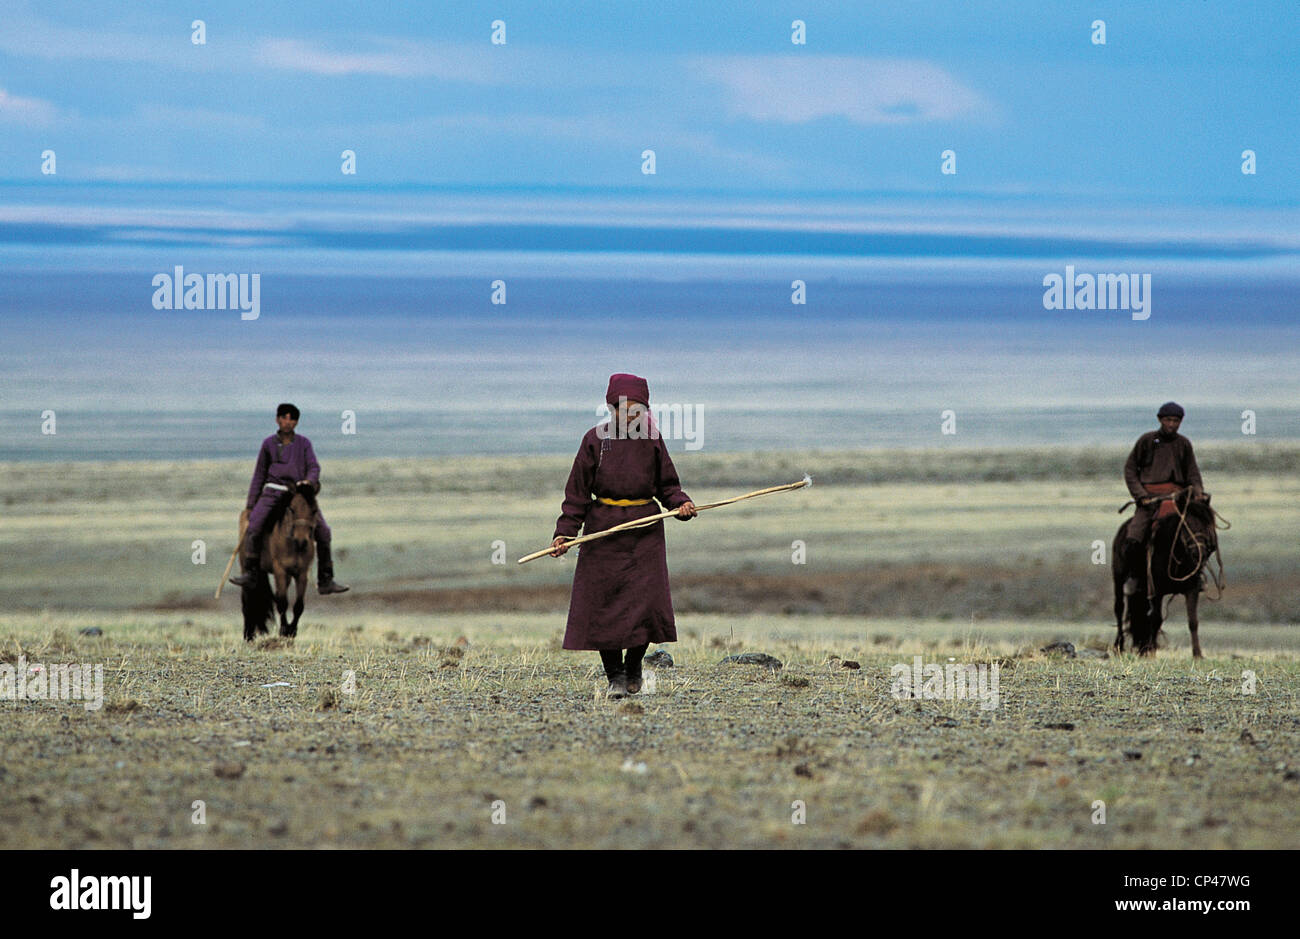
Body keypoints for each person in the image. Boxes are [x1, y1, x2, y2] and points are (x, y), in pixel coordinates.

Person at [550, 374, 697, 698]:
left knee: (642, 605)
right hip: (603, 530)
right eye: (623, 410)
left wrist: (682, 504)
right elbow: (576, 495)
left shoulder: (653, 440)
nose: (629, 416)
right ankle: (614, 676)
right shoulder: (594, 441)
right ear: (611, 408)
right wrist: (564, 533)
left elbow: (668, 487)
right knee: (604, 605)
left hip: (645, 529)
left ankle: (633, 669)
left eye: (636, 410)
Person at [228, 403, 350, 594]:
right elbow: (259, 474)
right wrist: (251, 504)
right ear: (277, 420)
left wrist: (309, 482)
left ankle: (326, 578)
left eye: (292, 418)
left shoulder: (304, 443)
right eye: (284, 418)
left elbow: (314, 466)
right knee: (254, 525)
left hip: (298, 494)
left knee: (324, 531)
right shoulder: (268, 444)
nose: (287, 422)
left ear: (296, 422)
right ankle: (251, 572)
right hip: (273, 492)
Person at [1120, 401, 1204, 596]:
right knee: (1134, 537)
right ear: (1160, 420)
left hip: (1178, 499)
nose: (1172, 424)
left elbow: (1192, 473)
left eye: (1176, 421)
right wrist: (1141, 496)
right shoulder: (1147, 441)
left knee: (1199, 536)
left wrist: (1198, 492)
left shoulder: (1184, 444)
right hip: (1150, 502)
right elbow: (1130, 470)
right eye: (1168, 420)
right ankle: (1134, 577)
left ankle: (1195, 577)